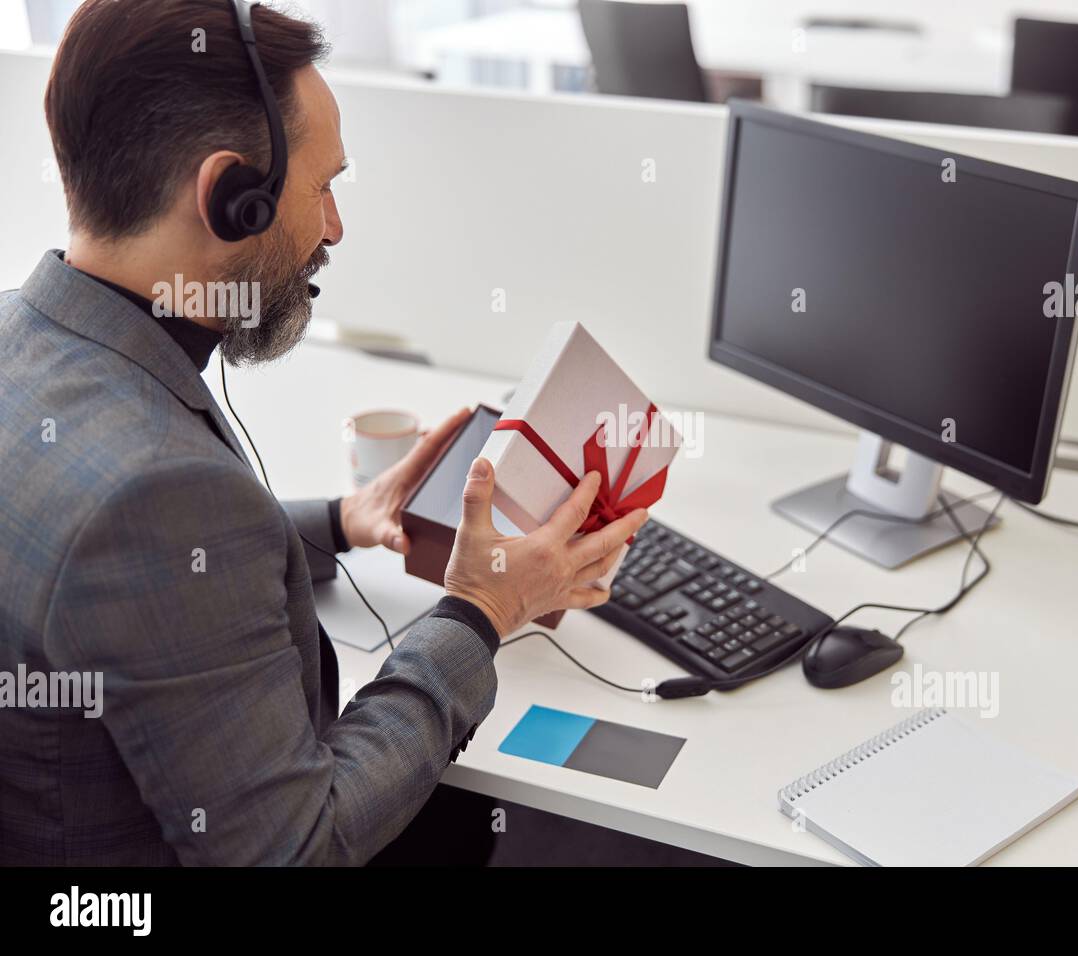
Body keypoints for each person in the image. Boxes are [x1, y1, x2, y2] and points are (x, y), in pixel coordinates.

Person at [0, 0, 647, 865]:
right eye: (323, 186)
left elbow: (140, 581)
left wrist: (344, 520)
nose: (334, 227)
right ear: (230, 197)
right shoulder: (155, 494)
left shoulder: (29, 341)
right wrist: (484, 609)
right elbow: (299, 849)